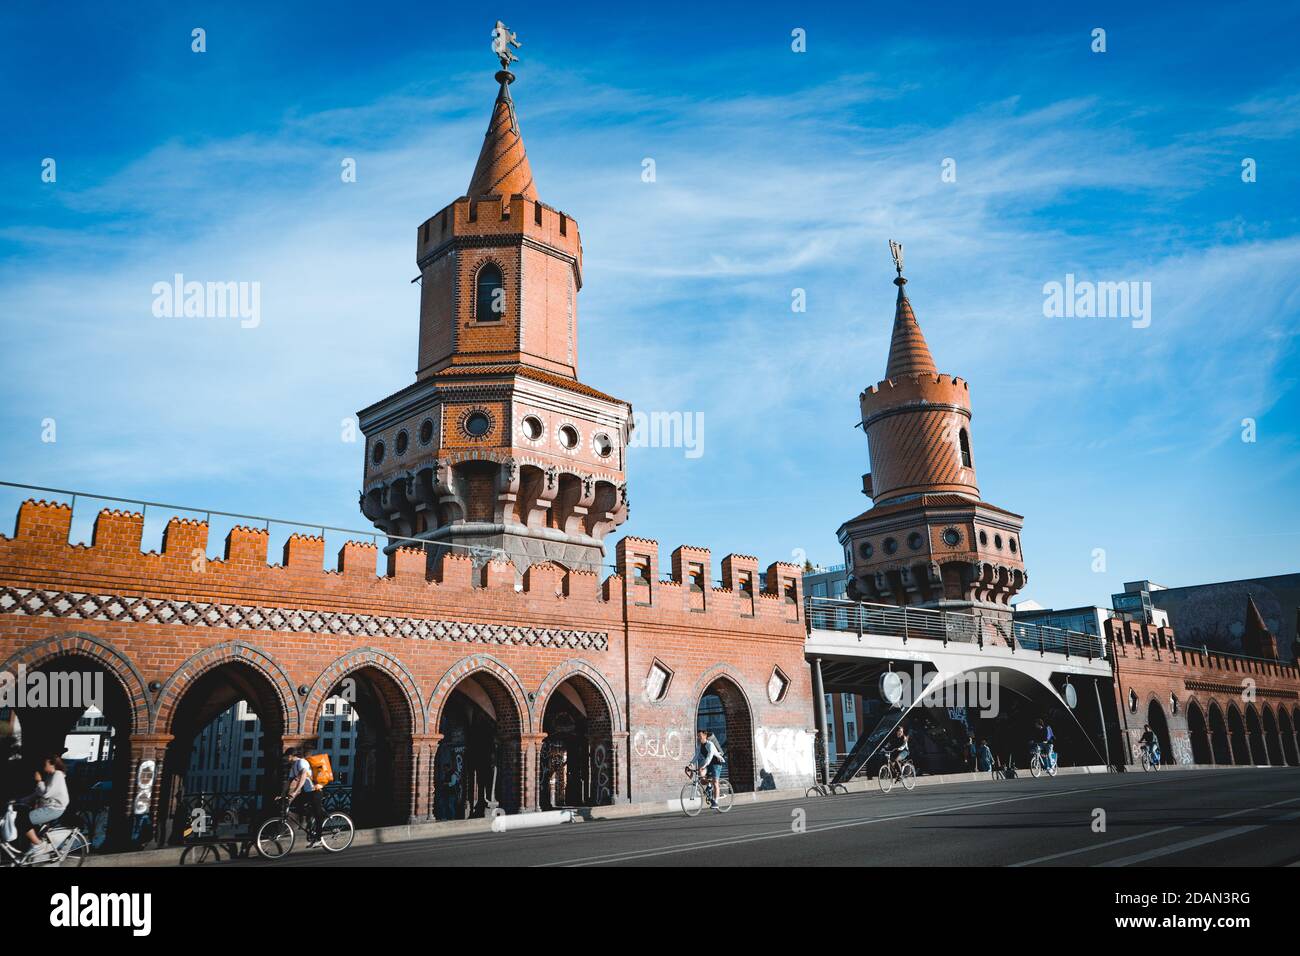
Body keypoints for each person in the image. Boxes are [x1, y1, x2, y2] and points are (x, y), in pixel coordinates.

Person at [14, 754, 69, 862]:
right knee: (22, 814)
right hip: (49, 808)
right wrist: (19, 801)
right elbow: (37, 793)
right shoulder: (50, 776)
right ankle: (36, 849)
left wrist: (39, 781)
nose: (43, 766)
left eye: (45, 764)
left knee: (22, 820)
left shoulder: (57, 775)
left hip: (54, 809)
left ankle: (38, 844)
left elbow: (46, 793)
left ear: (52, 764)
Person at [283, 748, 325, 845]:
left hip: (315, 791)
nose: (286, 758)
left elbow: (302, 777)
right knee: (296, 805)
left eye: (287, 756)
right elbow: (288, 782)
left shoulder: (302, 762)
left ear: (291, 756)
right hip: (307, 792)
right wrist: (282, 795)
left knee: (319, 816)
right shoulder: (294, 766)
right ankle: (309, 818)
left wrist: (295, 791)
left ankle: (318, 839)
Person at [684, 729, 726, 811]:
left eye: (700, 736)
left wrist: (704, 765)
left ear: (705, 736)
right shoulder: (699, 746)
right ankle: (709, 786)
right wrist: (690, 764)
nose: (699, 738)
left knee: (715, 782)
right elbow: (696, 756)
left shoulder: (710, 744)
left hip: (716, 763)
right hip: (708, 763)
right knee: (702, 778)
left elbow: (709, 757)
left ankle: (715, 802)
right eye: (698, 736)